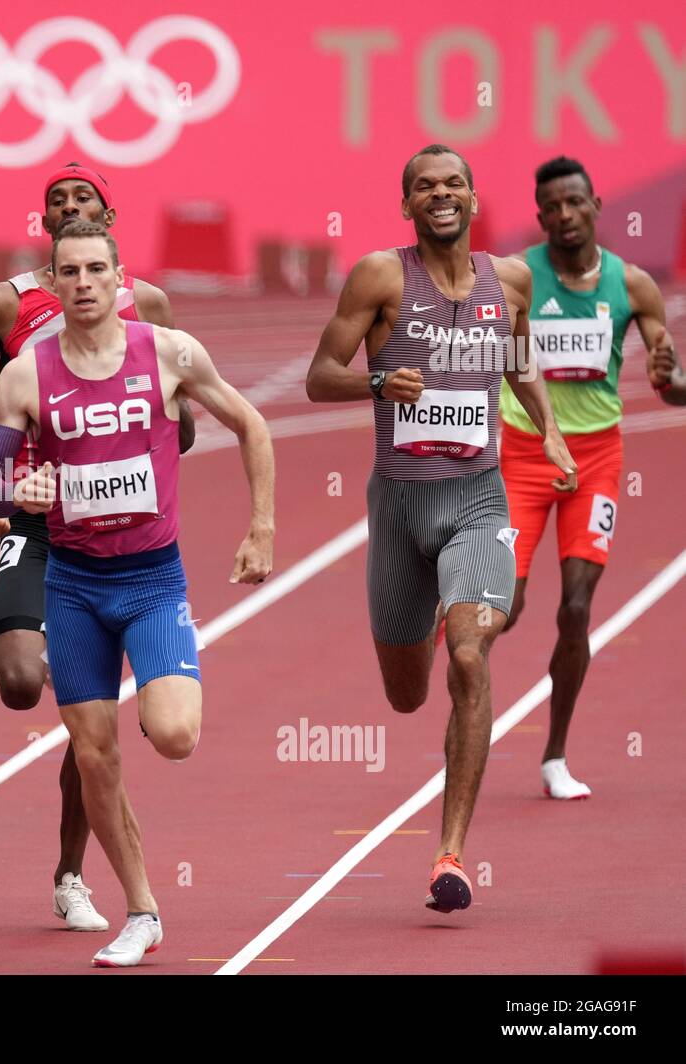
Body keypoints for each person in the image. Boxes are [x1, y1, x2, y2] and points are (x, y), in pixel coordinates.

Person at [0, 219, 274, 967]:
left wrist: (261, 530)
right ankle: (141, 910)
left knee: (173, 736)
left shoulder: (170, 353)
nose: (83, 283)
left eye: (96, 270)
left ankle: (154, 685)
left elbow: (251, 424)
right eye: (69, 271)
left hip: (151, 579)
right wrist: (19, 492)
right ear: (53, 280)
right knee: (95, 755)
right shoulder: (25, 374)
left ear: (119, 277)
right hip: (73, 586)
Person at [305, 144, 577, 914]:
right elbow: (318, 376)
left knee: (469, 655)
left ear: (474, 198)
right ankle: (430, 614)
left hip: (479, 501)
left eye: (453, 183)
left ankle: (450, 854)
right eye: (424, 186)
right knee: (406, 696)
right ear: (407, 206)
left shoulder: (510, 280)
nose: (440, 194)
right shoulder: (380, 277)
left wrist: (550, 429)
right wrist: (376, 381)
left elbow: (520, 358)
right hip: (399, 509)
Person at [0, 163, 195, 932]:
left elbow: (183, 422)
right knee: (21, 680)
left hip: (120, 539)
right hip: (37, 527)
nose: (70, 205)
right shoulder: (4, 304)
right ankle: (96, 685)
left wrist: (139, 445)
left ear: (109, 219)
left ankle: (70, 873)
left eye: (84, 198)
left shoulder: (148, 304)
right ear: (43, 227)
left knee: (90, 723)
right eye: (57, 200)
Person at [499, 156, 684, 799]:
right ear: (540, 216)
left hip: (596, 461)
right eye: (551, 207)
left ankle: (554, 756)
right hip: (525, 455)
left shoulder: (632, 285)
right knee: (504, 607)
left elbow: (671, 385)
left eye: (575, 202)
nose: (565, 215)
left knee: (577, 608)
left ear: (596, 206)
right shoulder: (519, 277)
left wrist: (670, 375)